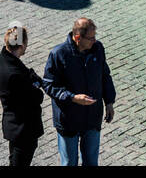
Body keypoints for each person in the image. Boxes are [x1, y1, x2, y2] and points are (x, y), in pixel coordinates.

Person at [42, 17, 116, 168]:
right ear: (77, 38)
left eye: (95, 36)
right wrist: (73, 98)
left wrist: (109, 102)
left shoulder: (98, 49)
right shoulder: (59, 54)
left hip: (92, 117)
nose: (94, 41)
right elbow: (49, 85)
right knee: (69, 163)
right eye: (90, 38)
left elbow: (105, 76)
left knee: (91, 162)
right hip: (68, 120)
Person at [0, 22, 45, 167]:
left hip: (14, 124)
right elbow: (37, 97)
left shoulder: (2, 60)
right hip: (23, 129)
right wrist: (35, 85)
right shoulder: (14, 75)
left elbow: (24, 73)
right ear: (22, 45)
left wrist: (31, 78)